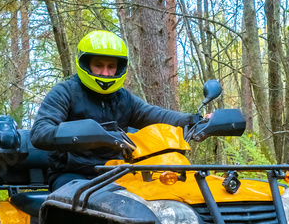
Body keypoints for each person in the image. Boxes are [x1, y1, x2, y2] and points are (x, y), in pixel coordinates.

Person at [30, 30, 200, 190]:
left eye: (111, 66)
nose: (105, 72)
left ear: (119, 68)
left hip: (117, 173)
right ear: (86, 64)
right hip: (71, 174)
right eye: (99, 65)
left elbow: (154, 114)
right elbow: (40, 132)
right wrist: (86, 134)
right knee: (84, 203)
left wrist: (195, 120)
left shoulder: (124, 98)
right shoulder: (65, 92)